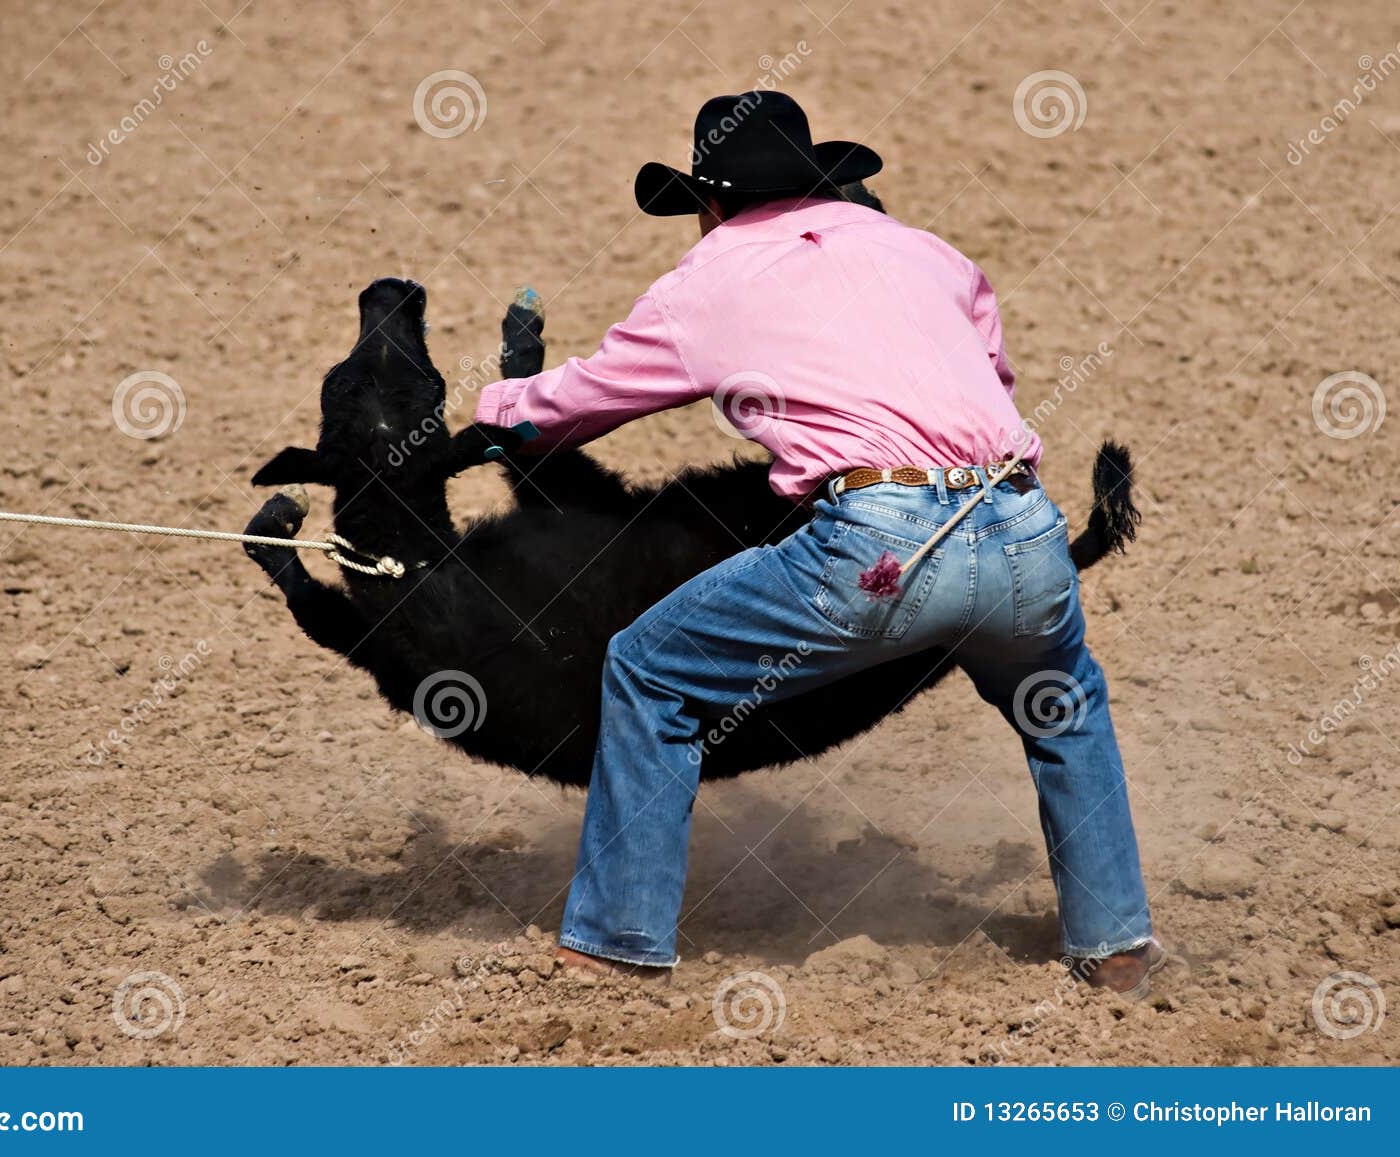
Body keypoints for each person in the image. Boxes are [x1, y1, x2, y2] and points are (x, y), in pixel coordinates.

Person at [473, 92, 1162, 997]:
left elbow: (572, 408)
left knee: (648, 671)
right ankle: (1114, 946)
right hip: (1025, 521)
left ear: (709, 203)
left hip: (880, 546)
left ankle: (613, 941)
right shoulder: (926, 251)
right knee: (1062, 702)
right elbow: (992, 374)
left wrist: (500, 406)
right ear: (824, 180)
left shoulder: (706, 279)